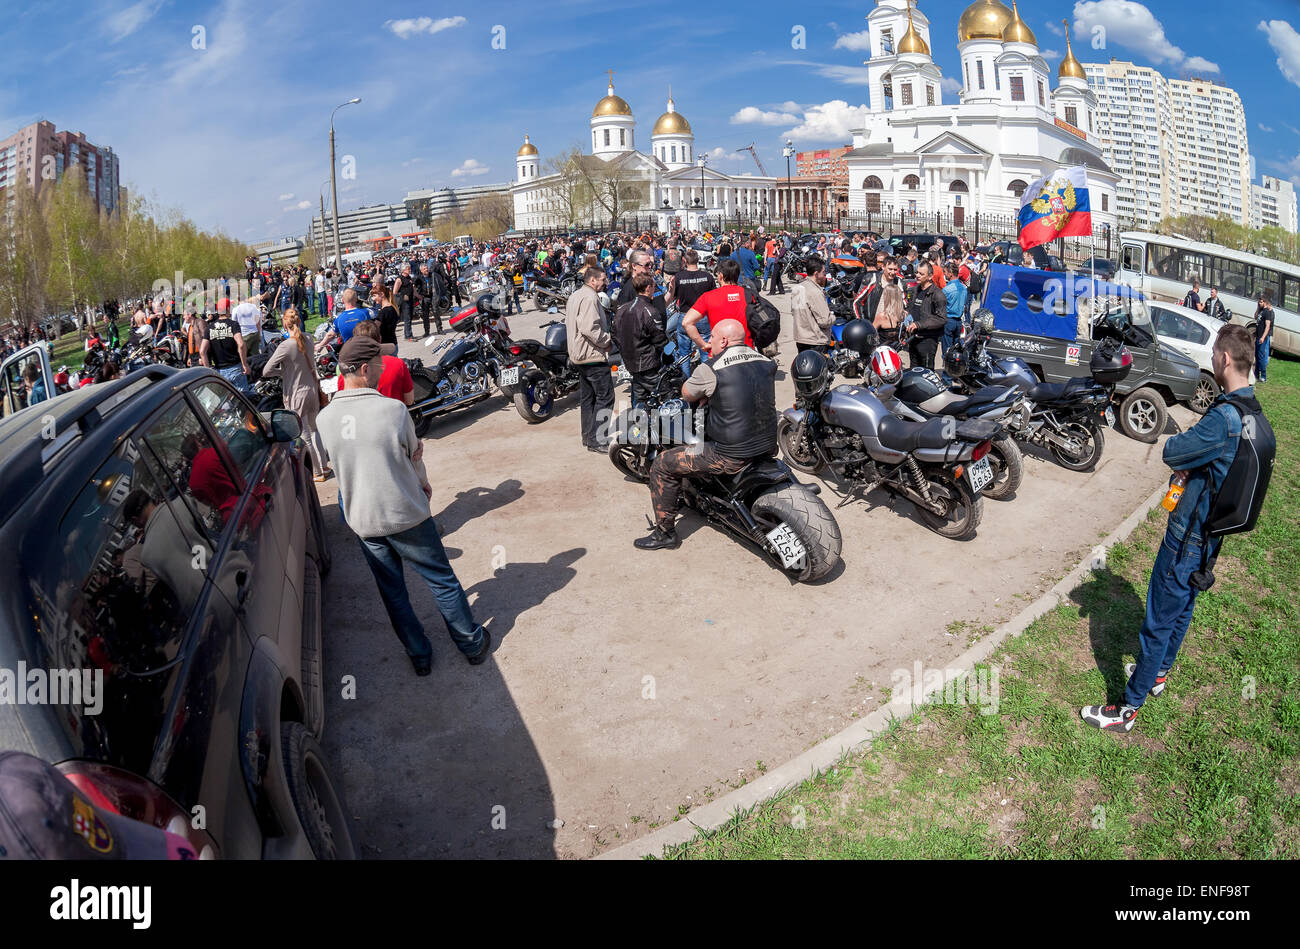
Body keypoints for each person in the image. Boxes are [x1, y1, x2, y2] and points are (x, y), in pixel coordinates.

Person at [1082, 325, 1262, 733]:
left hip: (1189, 534)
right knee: (1182, 609)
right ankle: (1159, 673)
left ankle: (1127, 708)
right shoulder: (1252, 410)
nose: (1213, 360)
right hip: (1211, 536)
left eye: (1215, 354)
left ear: (1225, 360)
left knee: (1159, 620)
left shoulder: (1223, 418)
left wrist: (1187, 452)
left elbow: (1172, 450)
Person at [316, 336, 491, 675]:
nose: (383, 370)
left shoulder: (325, 418)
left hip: (364, 520)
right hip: (404, 513)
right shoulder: (392, 410)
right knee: (441, 580)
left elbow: (339, 462)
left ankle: (419, 656)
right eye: (379, 366)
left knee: (393, 593)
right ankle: (471, 643)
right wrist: (423, 486)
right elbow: (413, 458)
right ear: (365, 369)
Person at [634, 319, 777, 551]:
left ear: (724, 340)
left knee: (662, 464)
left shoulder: (710, 368)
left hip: (729, 454)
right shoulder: (766, 362)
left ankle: (664, 533)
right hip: (768, 444)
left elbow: (687, 393)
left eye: (712, 337)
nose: (708, 342)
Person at [263, 308, 331, 482]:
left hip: (296, 393)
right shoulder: (308, 338)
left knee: (303, 434)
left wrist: (283, 373)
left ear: (285, 324)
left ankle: (317, 471)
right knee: (315, 430)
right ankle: (323, 465)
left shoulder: (285, 346)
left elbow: (266, 370)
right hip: (312, 390)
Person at [566, 267, 614, 453]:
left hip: (580, 355)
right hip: (591, 355)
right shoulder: (589, 297)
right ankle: (598, 440)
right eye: (603, 279)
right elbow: (589, 328)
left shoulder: (576, 295)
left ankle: (588, 436)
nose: (605, 282)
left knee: (588, 398)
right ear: (592, 280)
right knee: (605, 397)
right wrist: (606, 342)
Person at [612, 272, 668, 406]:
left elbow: (614, 334)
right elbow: (660, 339)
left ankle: (639, 424)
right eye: (654, 286)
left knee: (640, 397)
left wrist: (626, 350)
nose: (655, 289)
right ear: (648, 288)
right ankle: (661, 425)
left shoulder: (622, 309)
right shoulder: (649, 310)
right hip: (648, 364)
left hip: (632, 363)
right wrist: (666, 356)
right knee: (667, 394)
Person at [682, 257, 753, 352]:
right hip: (746, 351)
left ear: (721, 276)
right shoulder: (749, 294)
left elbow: (686, 322)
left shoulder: (708, 296)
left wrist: (703, 345)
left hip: (720, 353)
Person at [904, 261, 946, 370]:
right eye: (917, 272)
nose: (917, 276)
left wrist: (919, 324)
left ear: (930, 276)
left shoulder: (937, 294)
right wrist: (906, 314)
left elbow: (941, 319)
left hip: (927, 340)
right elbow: (911, 309)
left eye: (921, 274)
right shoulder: (915, 290)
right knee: (913, 370)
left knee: (926, 373)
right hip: (913, 338)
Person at [202, 305, 252, 394]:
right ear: (228, 309)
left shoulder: (209, 328)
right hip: (235, 368)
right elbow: (241, 344)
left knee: (226, 402)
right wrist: (245, 364)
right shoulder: (233, 324)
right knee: (244, 400)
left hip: (219, 372)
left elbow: (202, 351)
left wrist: (208, 371)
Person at [791, 254, 834, 354]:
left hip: (801, 339)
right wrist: (833, 316)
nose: (824, 275)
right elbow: (825, 321)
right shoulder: (815, 292)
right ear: (816, 273)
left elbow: (796, 312)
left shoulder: (798, 288)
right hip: (816, 341)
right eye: (823, 272)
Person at [940, 261, 969, 359]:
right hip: (958, 322)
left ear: (950, 274)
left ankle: (947, 371)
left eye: (945, 272)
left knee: (947, 350)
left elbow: (940, 305)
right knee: (956, 349)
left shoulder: (947, 289)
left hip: (949, 321)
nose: (944, 274)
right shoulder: (964, 288)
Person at [1254, 288, 1273, 383]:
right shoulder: (1261, 310)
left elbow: (1268, 326)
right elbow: (1255, 316)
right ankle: (1256, 374)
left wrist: (1263, 337)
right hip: (1257, 337)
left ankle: (1264, 376)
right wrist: (1258, 307)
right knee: (1256, 356)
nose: (1259, 303)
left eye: (1260, 302)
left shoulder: (1267, 312)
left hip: (1262, 338)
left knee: (1261, 357)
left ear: (1264, 302)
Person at [394, 263, 416, 341]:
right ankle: (408, 336)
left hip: (410, 300)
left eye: (410, 268)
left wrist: (418, 296)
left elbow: (413, 289)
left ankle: (408, 334)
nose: (409, 270)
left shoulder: (409, 277)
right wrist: (403, 295)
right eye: (408, 269)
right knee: (407, 318)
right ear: (403, 270)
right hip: (404, 302)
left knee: (410, 317)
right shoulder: (399, 279)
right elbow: (395, 292)